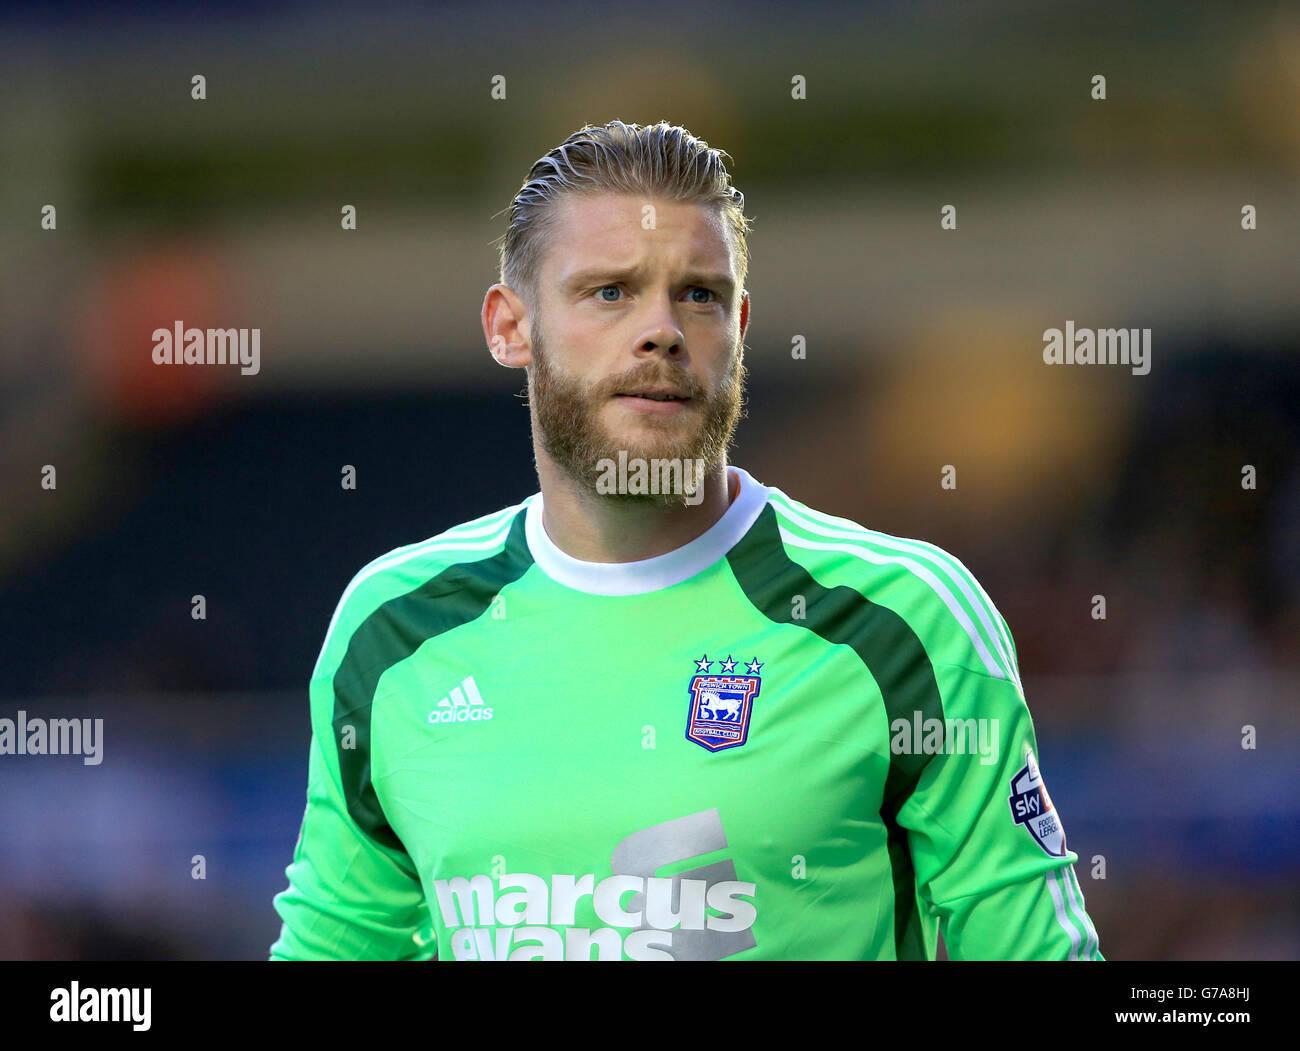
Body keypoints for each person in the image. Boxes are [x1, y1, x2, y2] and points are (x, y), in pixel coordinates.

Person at [269, 120, 1102, 961]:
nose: (662, 330)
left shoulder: (901, 618)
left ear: (739, 325)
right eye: (610, 292)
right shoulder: (394, 630)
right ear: (509, 327)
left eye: (698, 294)